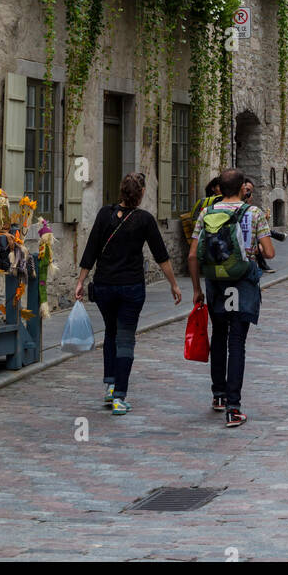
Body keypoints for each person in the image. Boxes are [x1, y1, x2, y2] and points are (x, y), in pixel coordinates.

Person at [75, 171, 181, 415]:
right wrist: (173, 284)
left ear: (121, 191)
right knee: (125, 338)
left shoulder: (105, 214)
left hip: (104, 286)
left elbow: (91, 249)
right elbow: (161, 255)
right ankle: (120, 396)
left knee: (111, 333)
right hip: (131, 287)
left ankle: (111, 386)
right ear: (142, 193)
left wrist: (81, 281)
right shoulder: (144, 220)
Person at [188, 167, 274, 427]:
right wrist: (256, 246)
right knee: (237, 342)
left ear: (219, 188)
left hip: (216, 281)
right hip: (243, 281)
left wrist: (196, 289)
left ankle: (219, 396)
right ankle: (234, 408)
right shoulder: (253, 213)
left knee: (219, 335)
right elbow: (269, 253)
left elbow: (193, 255)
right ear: (241, 189)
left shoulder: (206, 212)